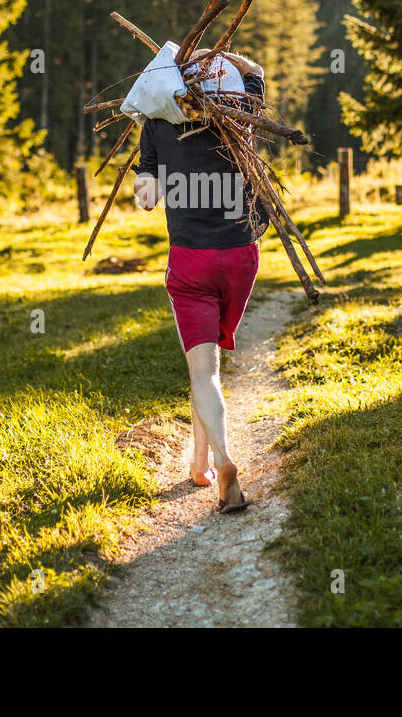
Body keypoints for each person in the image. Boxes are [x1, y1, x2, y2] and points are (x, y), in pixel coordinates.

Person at [132, 49, 268, 514]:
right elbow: (257, 74)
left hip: (190, 261)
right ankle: (200, 463)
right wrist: (230, 56)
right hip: (239, 255)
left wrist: (152, 177)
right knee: (208, 364)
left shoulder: (154, 126)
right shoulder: (238, 116)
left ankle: (226, 459)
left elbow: (147, 199)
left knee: (202, 367)